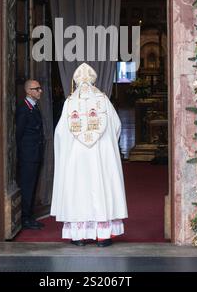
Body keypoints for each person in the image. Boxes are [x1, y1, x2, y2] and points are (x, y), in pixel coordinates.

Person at [50, 63, 128, 246]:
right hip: (100, 156)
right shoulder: (103, 99)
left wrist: (65, 151)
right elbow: (116, 126)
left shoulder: (70, 102)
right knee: (101, 189)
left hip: (76, 158)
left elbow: (60, 133)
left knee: (78, 191)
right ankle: (102, 236)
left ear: (76, 82)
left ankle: (79, 237)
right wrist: (108, 144)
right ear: (93, 81)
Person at [16, 79, 45, 230]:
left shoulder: (34, 107)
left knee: (32, 187)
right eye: (36, 89)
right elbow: (19, 134)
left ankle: (29, 216)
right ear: (28, 91)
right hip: (28, 156)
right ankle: (25, 218)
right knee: (27, 187)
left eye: (40, 88)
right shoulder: (23, 109)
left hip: (35, 154)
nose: (40, 91)